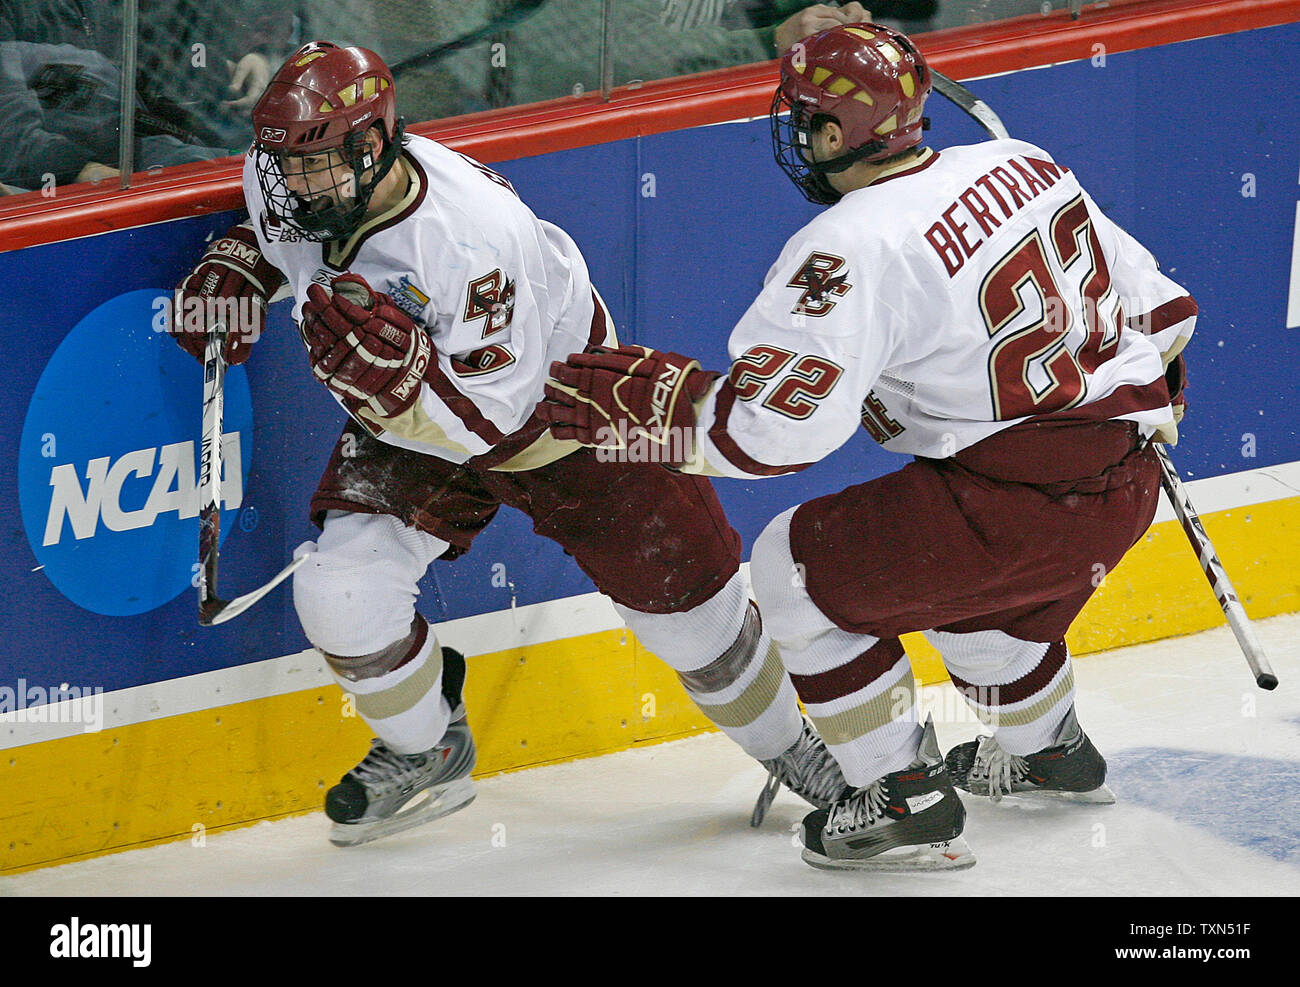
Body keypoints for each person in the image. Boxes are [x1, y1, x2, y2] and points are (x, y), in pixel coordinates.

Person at [541, 22, 1195, 870]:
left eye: (805, 118)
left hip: (1014, 502)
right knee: (968, 600)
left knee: (793, 570)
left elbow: (775, 435)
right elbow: (1167, 317)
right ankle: (1048, 749)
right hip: (1125, 481)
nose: (796, 133)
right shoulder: (1026, 161)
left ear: (833, 135)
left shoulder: (850, 244)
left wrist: (658, 419)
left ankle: (898, 792)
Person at [168, 40, 850, 847]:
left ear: (371, 145)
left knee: (692, 612)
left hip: (564, 412)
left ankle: (796, 749)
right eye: (282, 163)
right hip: (424, 415)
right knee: (340, 594)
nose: (291, 185)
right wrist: (246, 262)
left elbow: (492, 423)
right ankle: (429, 747)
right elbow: (279, 236)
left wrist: (399, 379)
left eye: (313, 166)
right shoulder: (285, 180)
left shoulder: (467, 240)